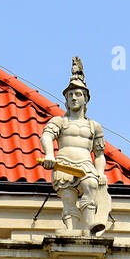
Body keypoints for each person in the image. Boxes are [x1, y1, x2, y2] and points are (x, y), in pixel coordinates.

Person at [40, 58, 113, 234]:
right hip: (64, 162)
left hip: (85, 164)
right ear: (65, 98)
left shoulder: (94, 126)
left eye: (78, 94)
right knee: (68, 197)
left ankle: (89, 223)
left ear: (85, 99)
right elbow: (47, 136)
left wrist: (101, 173)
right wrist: (50, 154)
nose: (73, 97)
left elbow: (99, 154)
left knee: (90, 185)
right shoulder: (59, 121)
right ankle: (71, 230)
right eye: (70, 95)